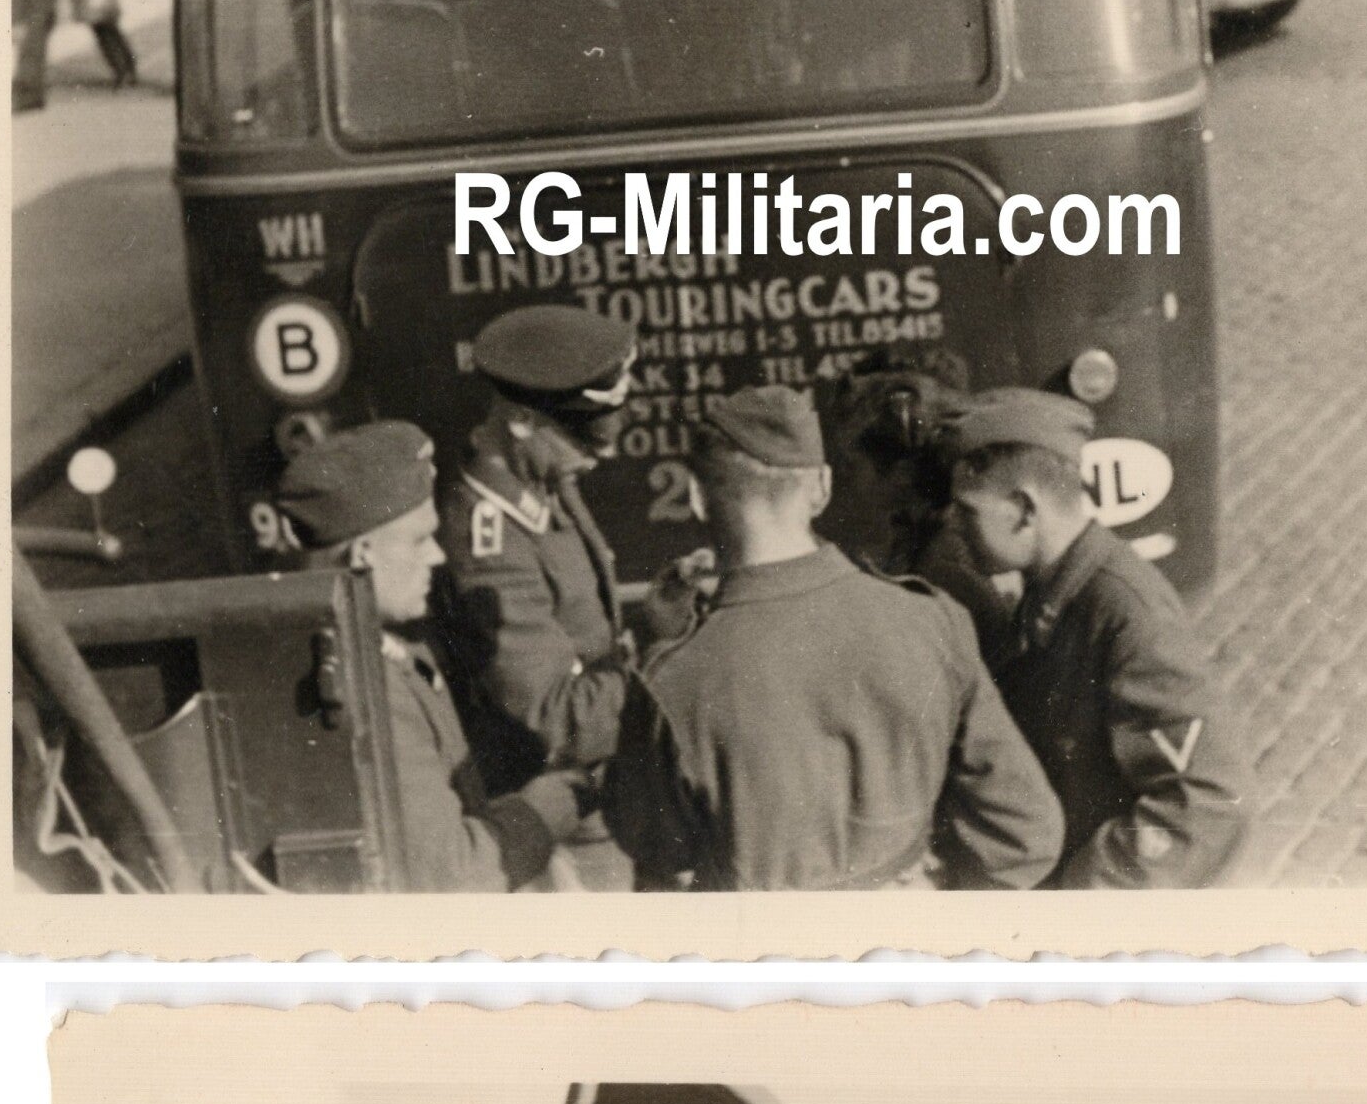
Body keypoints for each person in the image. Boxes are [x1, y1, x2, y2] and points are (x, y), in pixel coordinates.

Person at [602, 385, 1065, 891]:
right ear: (820, 488)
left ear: (693, 496)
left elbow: (648, 842)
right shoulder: (931, 621)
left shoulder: (673, 679)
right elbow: (1026, 832)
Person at [944, 388, 1246, 888]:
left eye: (967, 511)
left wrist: (1087, 897)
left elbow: (1208, 799)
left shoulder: (1126, 612)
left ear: (1024, 511)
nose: (955, 527)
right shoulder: (1054, 590)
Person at [277, 423, 587, 891]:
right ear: (362, 557)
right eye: (420, 540)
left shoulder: (375, 647)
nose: (439, 556)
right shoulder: (367, 686)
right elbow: (454, 878)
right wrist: (555, 804)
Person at [432, 305, 647, 811]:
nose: (608, 450)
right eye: (587, 433)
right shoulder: (488, 544)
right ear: (522, 420)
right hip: (554, 806)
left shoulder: (541, 478)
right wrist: (663, 657)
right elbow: (553, 721)